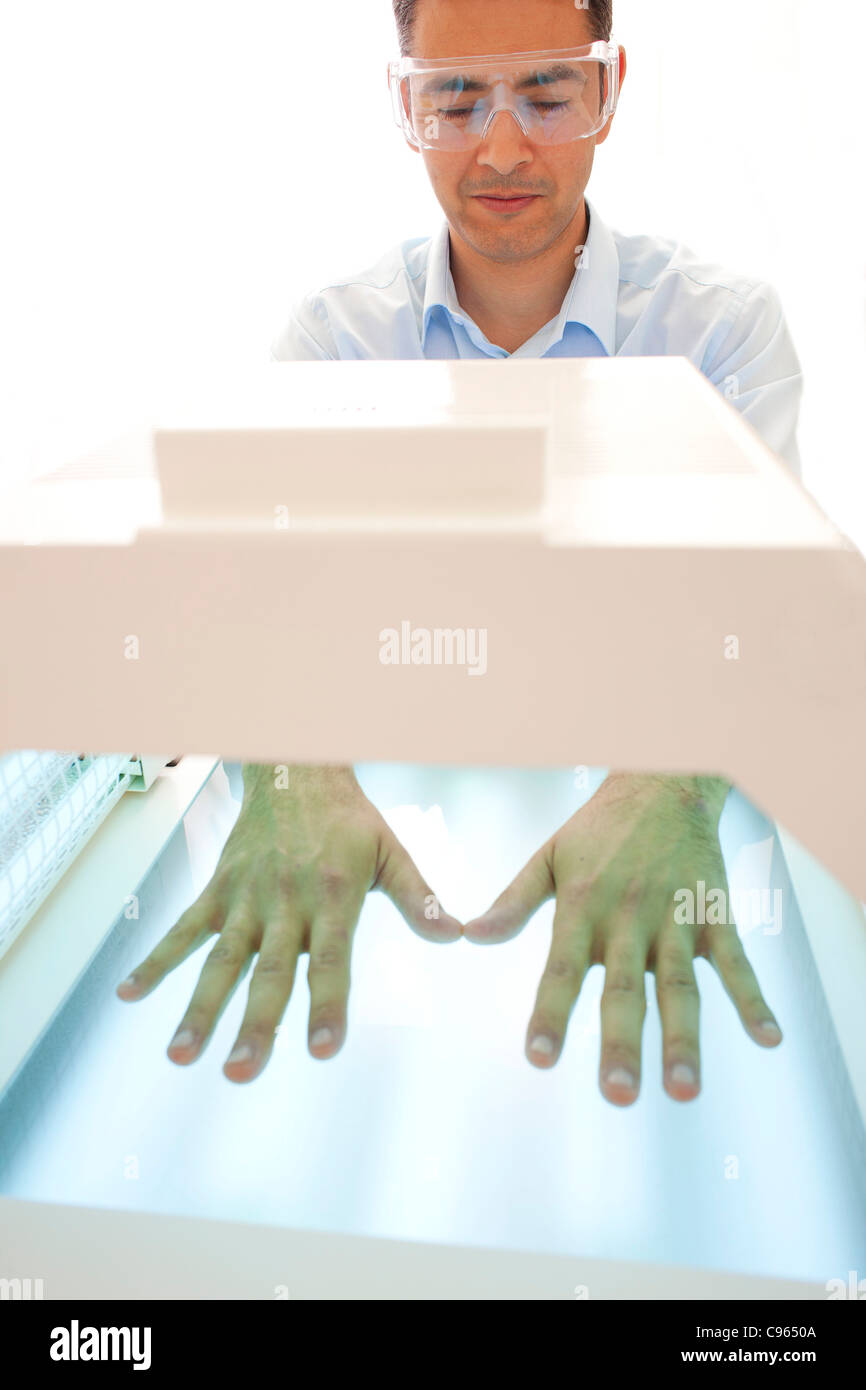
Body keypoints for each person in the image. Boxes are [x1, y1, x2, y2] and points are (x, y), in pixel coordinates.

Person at [118, 0, 792, 1105]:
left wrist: (671, 786)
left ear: (609, 88)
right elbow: (251, 586)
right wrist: (289, 773)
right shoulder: (334, 339)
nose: (501, 146)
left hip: (659, 864)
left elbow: (762, 609)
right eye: (454, 99)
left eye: (545, 91)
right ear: (405, 104)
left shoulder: (721, 333)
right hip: (400, 869)